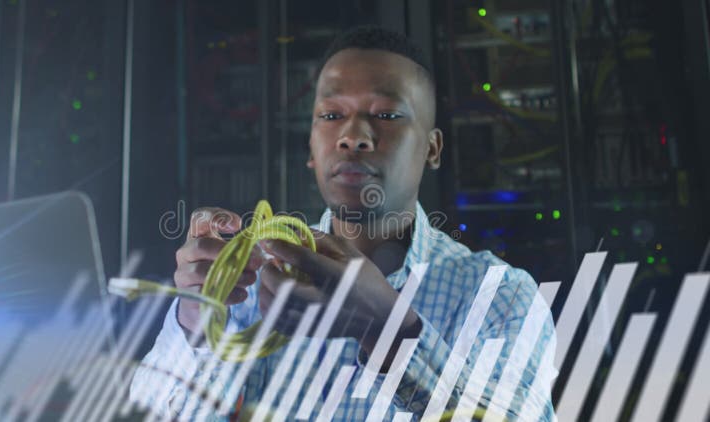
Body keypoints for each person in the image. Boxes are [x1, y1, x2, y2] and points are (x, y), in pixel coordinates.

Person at [130, 26, 557, 421]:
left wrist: (392, 332)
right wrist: (194, 326)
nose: (353, 136)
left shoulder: (500, 295)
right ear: (311, 149)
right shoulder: (245, 283)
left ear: (432, 148)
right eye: (331, 115)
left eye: (387, 115)